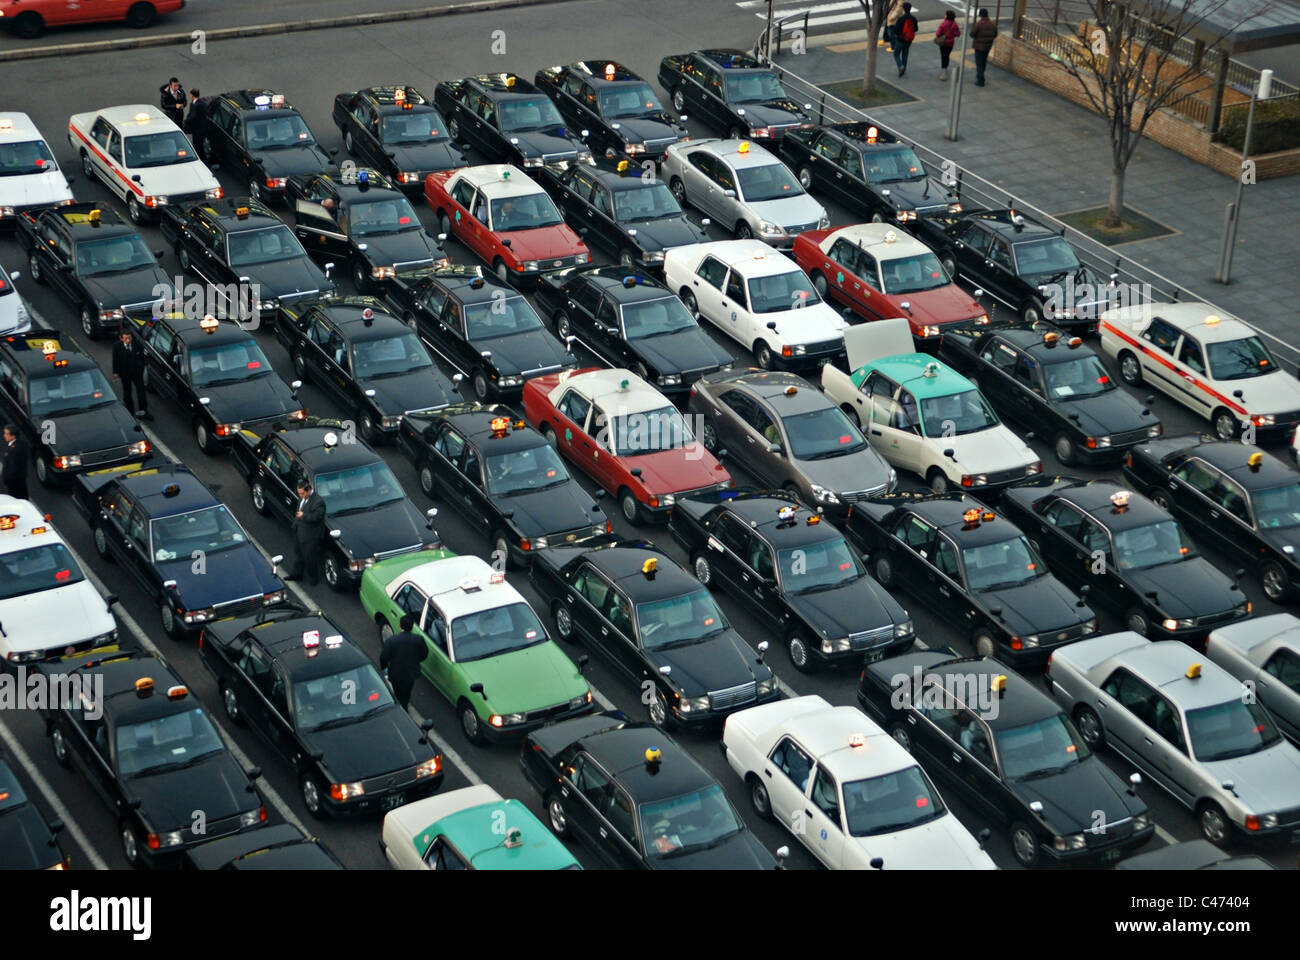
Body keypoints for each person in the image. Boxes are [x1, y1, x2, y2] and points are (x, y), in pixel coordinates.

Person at [380, 613, 428, 711]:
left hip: (395, 672)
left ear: (400, 625)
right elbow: (424, 654)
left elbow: (383, 656)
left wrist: (384, 667)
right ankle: (405, 705)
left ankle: (400, 707)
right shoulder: (418, 639)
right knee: (407, 692)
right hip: (411, 672)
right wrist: (416, 660)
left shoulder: (392, 640)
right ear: (412, 626)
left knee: (397, 692)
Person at [287, 480, 327, 585]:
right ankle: (297, 575)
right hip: (299, 532)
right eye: (299, 493)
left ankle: (313, 580)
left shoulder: (318, 501)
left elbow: (317, 517)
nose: (300, 496)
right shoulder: (302, 498)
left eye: (302, 493)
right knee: (298, 556)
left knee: (310, 559)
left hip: (310, 536)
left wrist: (303, 516)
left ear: (308, 490)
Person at [111, 328, 151, 420]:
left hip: (137, 372)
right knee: (127, 393)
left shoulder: (137, 344)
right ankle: (130, 412)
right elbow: (115, 360)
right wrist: (116, 372)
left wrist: (141, 368)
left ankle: (144, 411)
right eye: (125, 339)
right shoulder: (116, 346)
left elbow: (142, 357)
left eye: (129, 338)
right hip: (125, 374)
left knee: (141, 392)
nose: (128, 340)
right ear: (121, 339)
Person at [971, 10, 999, 86]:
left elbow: (972, 34)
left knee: (979, 63)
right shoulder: (993, 24)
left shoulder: (979, 24)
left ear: (980, 15)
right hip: (988, 46)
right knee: (983, 62)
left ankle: (981, 79)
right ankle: (980, 75)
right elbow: (995, 34)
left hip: (979, 46)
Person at [1, 424, 29, 500]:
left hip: (14, 481)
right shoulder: (21, 444)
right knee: (23, 496)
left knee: (16, 498)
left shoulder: (14, 450)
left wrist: (6, 479)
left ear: (13, 436)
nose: (4, 435)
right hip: (20, 478)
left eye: (6, 434)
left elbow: (12, 467)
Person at [893, 3, 919, 77]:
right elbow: (916, 29)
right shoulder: (913, 18)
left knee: (896, 54)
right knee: (905, 53)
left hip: (901, 39)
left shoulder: (901, 19)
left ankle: (901, 66)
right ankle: (904, 68)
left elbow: (896, 31)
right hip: (909, 39)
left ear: (903, 9)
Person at [936, 10, 961, 81]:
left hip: (943, 43)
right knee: (947, 55)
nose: (944, 15)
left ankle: (944, 72)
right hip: (951, 43)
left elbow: (938, 34)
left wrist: (943, 35)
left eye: (945, 14)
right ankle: (945, 68)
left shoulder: (943, 24)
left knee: (943, 56)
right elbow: (958, 33)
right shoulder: (954, 24)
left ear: (947, 16)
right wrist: (953, 35)